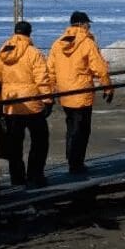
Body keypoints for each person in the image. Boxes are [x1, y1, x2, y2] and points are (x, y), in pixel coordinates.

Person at [0, 21, 56, 186]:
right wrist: (47, 100)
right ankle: (35, 175)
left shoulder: (2, 52)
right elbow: (42, 78)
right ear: (29, 33)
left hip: (10, 104)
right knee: (40, 140)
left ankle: (17, 178)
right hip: (32, 104)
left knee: (14, 144)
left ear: (15, 32)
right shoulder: (33, 53)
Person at [50, 11, 112, 175]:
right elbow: (99, 67)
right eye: (87, 23)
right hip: (82, 92)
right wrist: (107, 86)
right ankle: (76, 163)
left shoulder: (58, 43)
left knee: (71, 126)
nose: (89, 26)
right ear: (82, 24)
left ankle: (71, 158)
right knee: (82, 130)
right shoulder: (87, 43)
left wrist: (51, 91)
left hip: (65, 93)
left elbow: (50, 69)